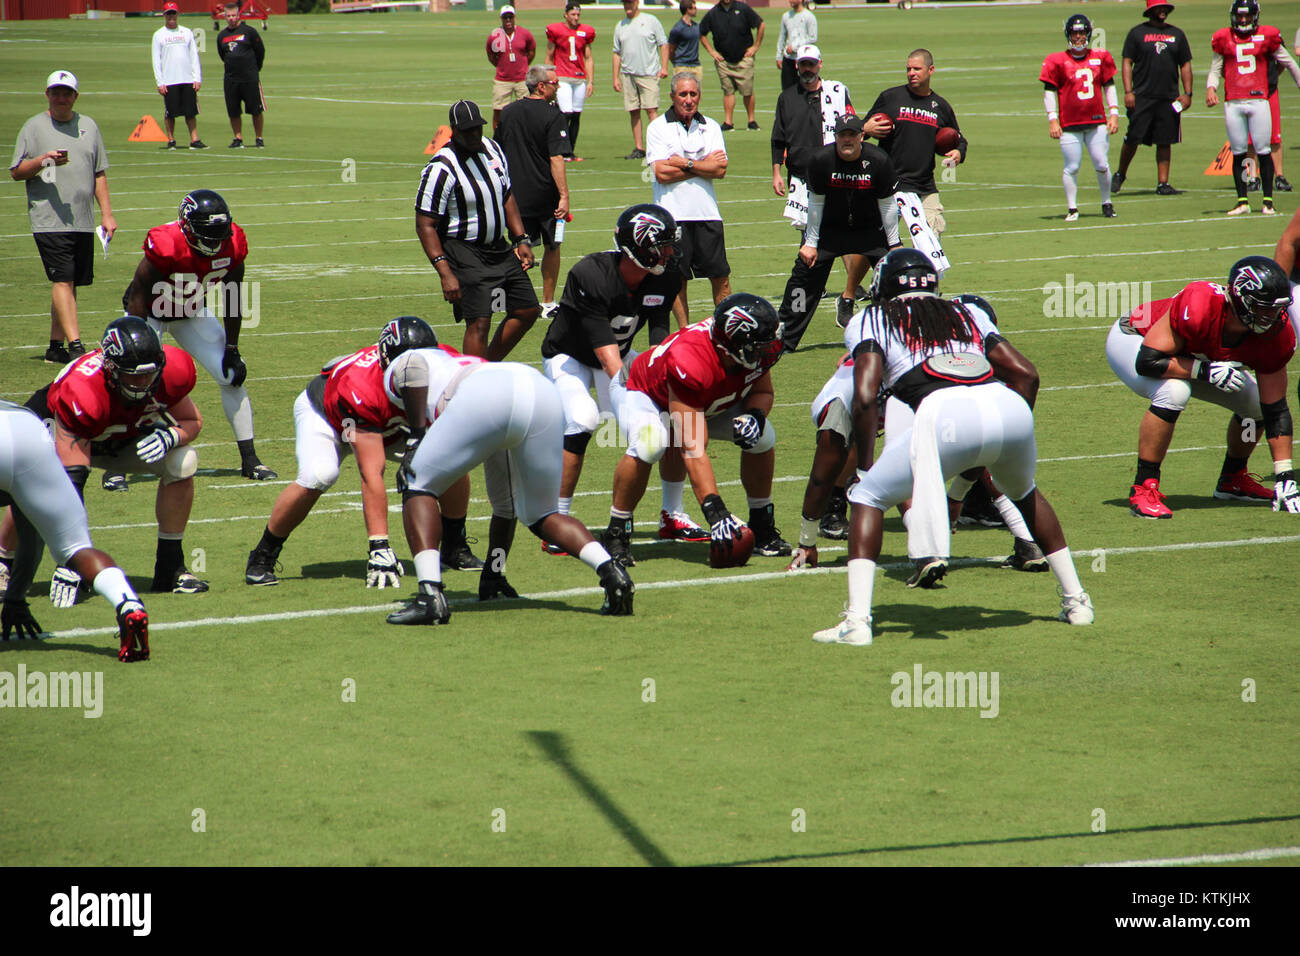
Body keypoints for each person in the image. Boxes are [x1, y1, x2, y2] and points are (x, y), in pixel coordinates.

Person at [814, 249, 1093, 646]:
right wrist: (1007, 430)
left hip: (943, 413)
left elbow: (863, 395)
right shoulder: (966, 311)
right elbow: (1026, 374)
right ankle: (1077, 601)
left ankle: (857, 623)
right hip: (1007, 406)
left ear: (883, 288)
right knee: (1025, 493)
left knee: (868, 496)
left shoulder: (870, 319)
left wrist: (863, 467)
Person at [381, 342, 635, 626]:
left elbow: (410, 367)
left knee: (416, 482)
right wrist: (493, 570)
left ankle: (430, 595)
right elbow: (505, 508)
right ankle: (611, 572)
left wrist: (415, 439)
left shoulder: (405, 361)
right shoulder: (454, 358)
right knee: (539, 514)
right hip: (538, 390)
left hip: (487, 397)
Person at [245, 316, 481, 588]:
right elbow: (371, 473)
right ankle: (262, 555)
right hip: (327, 415)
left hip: (390, 422)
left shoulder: (443, 363)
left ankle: (454, 546)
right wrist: (378, 546)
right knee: (319, 475)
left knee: (449, 462)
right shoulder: (361, 386)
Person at [540, 203, 707, 552]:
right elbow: (605, 353)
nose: (670, 252)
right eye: (662, 245)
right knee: (582, 419)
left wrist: (661, 382)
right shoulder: (591, 274)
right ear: (639, 245)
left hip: (618, 352)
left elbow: (659, 336)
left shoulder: (666, 276)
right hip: (569, 356)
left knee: (665, 417)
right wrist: (629, 389)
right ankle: (557, 518)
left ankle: (672, 513)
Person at [603, 293, 791, 568]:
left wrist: (755, 416)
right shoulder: (690, 360)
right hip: (641, 390)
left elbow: (763, 391)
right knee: (652, 442)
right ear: (733, 345)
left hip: (704, 400)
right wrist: (716, 513)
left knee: (762, 436)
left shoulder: (746, 350)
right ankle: (616, 531)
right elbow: (692, 446)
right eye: (761, 346)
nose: (768, 351)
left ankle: (762, 524)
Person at [25, 316, 209, 596]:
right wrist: (72, 559)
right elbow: (72, 482)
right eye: (133, 375)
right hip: (55, 434)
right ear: (110, 367)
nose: (143, 383)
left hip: (117, 440)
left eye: (149, 374)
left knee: (182, 460)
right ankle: (4, 562)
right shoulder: (84, 391)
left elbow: (191, 421)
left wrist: (172, 435)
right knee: (29, 484)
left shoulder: (170, 373)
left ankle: (171, 567)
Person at [1106, 255, 1298, 519]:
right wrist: (1204, 371)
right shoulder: (1200, 305)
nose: (1273, 317)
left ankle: (1233, 479)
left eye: (1277, 309)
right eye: (1264, 309)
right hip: (1135, 339)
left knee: (1255, 407)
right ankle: (1144, 486)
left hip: (1196, 358)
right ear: (1241, 299)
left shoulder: (1277, 334)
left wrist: (1284, 476)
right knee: (1174, 391)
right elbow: (1148, 361)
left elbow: (1275, 409)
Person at [121, 188, 276, 486]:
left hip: (191, 311)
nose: (215, 241)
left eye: (220, 232)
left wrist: (232, 347)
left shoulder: (232, 244)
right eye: (207, 232)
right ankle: (117, 465)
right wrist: (139, 339)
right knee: (134, 380)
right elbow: (139, 292)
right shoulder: (167, 243)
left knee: (231, 374)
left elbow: (233, 296)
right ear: (187, 226)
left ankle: (250, 459)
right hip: (150, 311)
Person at [0, 400, 150, 661]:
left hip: (23, 428)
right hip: (28, 430)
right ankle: (128, 604)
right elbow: (30, 536)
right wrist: (15, 598)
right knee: (76, 547)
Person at [417, 100, 539, 362]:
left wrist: (521, 239)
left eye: (477, 129)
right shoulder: (441, 166)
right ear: (454, 131)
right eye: (467, 131)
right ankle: (470, 383)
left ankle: (485, 368)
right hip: (464, 251)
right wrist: (444, 272)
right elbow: (425, 224)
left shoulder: (493, 149)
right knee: (479, 321)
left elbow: (507, 196)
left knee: (527, 309)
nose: (474, 136)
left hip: (499, 247)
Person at [9, 70, 115, 366]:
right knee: (63, 279)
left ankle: (55, 347)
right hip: (48, 219)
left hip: (82, 219)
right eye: (56, 92)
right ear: (47, 95)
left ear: (75, 97)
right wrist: (45, 160)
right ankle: (76, 346)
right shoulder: (34, 127)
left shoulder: (89, 126)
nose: (61, 98)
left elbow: (99, 173)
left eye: (66, 93)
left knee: (70, 284)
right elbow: (17, 172)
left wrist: (106, 214)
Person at [776, 113, 900, 351]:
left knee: (894, 277)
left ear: (861, 136)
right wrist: (810, 242)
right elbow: (816, 204)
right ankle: (785, 337)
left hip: (870, 231)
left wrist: (894, 245)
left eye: (852, 135)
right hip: (829, 232)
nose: (847, 140)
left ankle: (899, 334)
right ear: (835, 137)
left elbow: (887, 205)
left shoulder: (878, 160)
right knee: (803, 280)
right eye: (842, 135)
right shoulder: (821, 160)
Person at [646, 72, 730, 328]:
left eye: (693, 94)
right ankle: (684, 332)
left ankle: (723, 331)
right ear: (672, 96)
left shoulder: (712, 126)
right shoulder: (658, 127)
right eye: (683, 94)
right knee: (677, 280)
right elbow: (661, 173)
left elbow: (720, 170)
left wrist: (685, 162)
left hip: (707, 214)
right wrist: (702, 165)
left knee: (721, 277)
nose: (689, 99)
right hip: (672, 217)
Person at [1207, 0, 1300, 216]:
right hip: (1234, 101)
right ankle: (1242, 201)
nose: (1243, 20)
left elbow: (1289, 62)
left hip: (1259, 100)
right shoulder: (1223, 38)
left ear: (1255, 16)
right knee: (1239, 152)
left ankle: (1268, 201)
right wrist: (1211, 88)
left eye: (1247, 16)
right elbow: (1215, 68)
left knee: (1263, 150)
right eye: (1239, 17)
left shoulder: (1268, 36)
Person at [494, 64, 571, 320]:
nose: (557, 86)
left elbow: (498, 153)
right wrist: (564, 196)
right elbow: (556, 158)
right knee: (553, 245)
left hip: (514, 197)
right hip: (546, 196)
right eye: (554, 82)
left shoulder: (508, 112)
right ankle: (548, 303)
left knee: (519, 247)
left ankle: (516, 302)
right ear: (541, 86)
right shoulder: (553, 115)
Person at [867, 49, 966, 239]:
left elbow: (959, 139)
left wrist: (958, 153)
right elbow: (860, 132)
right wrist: (866, 129)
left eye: (917, 69)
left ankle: (927, 270)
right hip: (891, 184)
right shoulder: (890, 97)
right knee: (877, 241)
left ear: (931, 70)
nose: (911, 73)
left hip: (924, 187)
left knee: (931, 240)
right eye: (908, 69)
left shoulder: (941, 106)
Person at [1040, 14, 1120, 221]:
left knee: (1102, 164)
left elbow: (1109, 86)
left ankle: (1106, 202)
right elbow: (1049, 92)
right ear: (1068, 34)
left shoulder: (1101, 57)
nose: (1078, 37)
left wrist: (1114, 113)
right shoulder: (1056, 60)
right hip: (1069, 124)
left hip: (1096, 122)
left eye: (1082, 32)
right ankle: (1072, 208)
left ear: (1088, 34)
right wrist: (1052, 119)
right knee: (1072, 166)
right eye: (1075, 33)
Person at [1111, 0, 1193, 196]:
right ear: (1150, 11)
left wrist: (1188, 93)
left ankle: (1162, 183)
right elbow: (1126, 62)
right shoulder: (1136, 33)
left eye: (1164, 8)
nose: (1162, 11)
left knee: (1165, 140)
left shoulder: (1177, 34)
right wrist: (1128, 91)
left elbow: (1185, 65)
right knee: (1133, 138)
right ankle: (1120, 174)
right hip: (1142, 95)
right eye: (1158, 8)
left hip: (1169, 96)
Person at [770, 44, 851, 232]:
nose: (808, 69)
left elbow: (850, 126)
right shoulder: (786, 98)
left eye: (811, 64)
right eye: (804, 64)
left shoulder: (836, 93)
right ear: (797, 65)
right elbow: (778, 139)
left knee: (841, 230)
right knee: (807, 232)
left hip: (834, 172)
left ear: (820, 64)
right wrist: (776, 173)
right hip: (800, 175)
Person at [612, 0, 670, 160]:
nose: (627, 6)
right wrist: (615, 77)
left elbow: (663, 44)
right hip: (628, 75)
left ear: (637, 2)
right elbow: (616, 52)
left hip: (648, 74)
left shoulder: (651, 20)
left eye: (630, 2)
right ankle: (639, 148)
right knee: (633, 111)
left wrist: (664, 67)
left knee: (651, 110)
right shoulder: (620, 25)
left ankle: (657, 146)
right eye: (625, 3)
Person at [698, 0, 765, 131]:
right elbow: (701, 32)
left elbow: (760, 24)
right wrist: (712, 52)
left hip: (744, 58)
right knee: (727, 90)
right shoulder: (713, 13)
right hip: (723, 61)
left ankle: (751, 121)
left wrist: (755, 46)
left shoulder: (743, 8)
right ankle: (728, 122)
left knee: (747, 90)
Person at [152, 1, 206, 150]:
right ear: (164, 15)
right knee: (171, 112)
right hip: (169, 80)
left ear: (178, 14)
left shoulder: (186, 32)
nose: (171, 17)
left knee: (191, 111)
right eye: (168, 14)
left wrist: (197, 78)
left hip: (187, 79)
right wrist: (160, 82)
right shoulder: (159, 35)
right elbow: (156, 60)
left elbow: (194, 56)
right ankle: (171, 140)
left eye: (173, 13)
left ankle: (194, 139)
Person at [546, 1, 595, 161]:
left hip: (579, 78)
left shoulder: (585, 31)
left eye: (578, 14)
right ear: (565, 15)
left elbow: (588, 58)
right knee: (565, 114)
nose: (576, 17)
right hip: (563, 77)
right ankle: (561, 150)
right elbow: (550, 55)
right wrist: (548, 77)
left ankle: (570, 151)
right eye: (573, 14)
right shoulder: (556, 30)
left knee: (576, 116)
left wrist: (591, 81)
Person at [217, 0, 266, 149]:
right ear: (225, 17)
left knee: (255, 110)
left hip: (250, 77)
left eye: (234, 15)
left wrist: (255, 69)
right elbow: (222, 54)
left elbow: (260, 51)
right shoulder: (222, 36)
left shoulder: (249, 32)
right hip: (231, 79)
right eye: (228, 16)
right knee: (233, 110)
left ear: (239, 15)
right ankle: (238, 138)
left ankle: (259, 138)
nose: (231, 18)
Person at [487, 5, 536, 133]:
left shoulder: (525, 33)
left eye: (510, 17)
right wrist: (501, 66)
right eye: (505, 17)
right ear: (501, 18)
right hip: (502, 79)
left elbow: (531, 51)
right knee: (498, 110)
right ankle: (499, 138)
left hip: (522, 79)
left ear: (514, 18)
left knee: (525, 110)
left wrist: (524, 65)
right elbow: (491, 55)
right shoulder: (495, 35)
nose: (508, 20)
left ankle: (525, 137)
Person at [776, 0, 817, 91]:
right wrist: (779, 56)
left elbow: (813, 38)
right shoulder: (786, 16)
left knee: (804, 90)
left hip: (803, 59)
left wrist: (795, 47)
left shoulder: (809, 16)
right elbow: (782, 37)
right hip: (788, 59)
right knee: (787, 92)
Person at [667, 1, 703, 86]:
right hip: (682, 66)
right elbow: (671, 50)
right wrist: (677, 63)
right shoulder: (678, 29)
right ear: (688, 10)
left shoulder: (696, 26)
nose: (696, 9)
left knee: (696, 93)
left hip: (696, 66)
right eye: (694, 8)